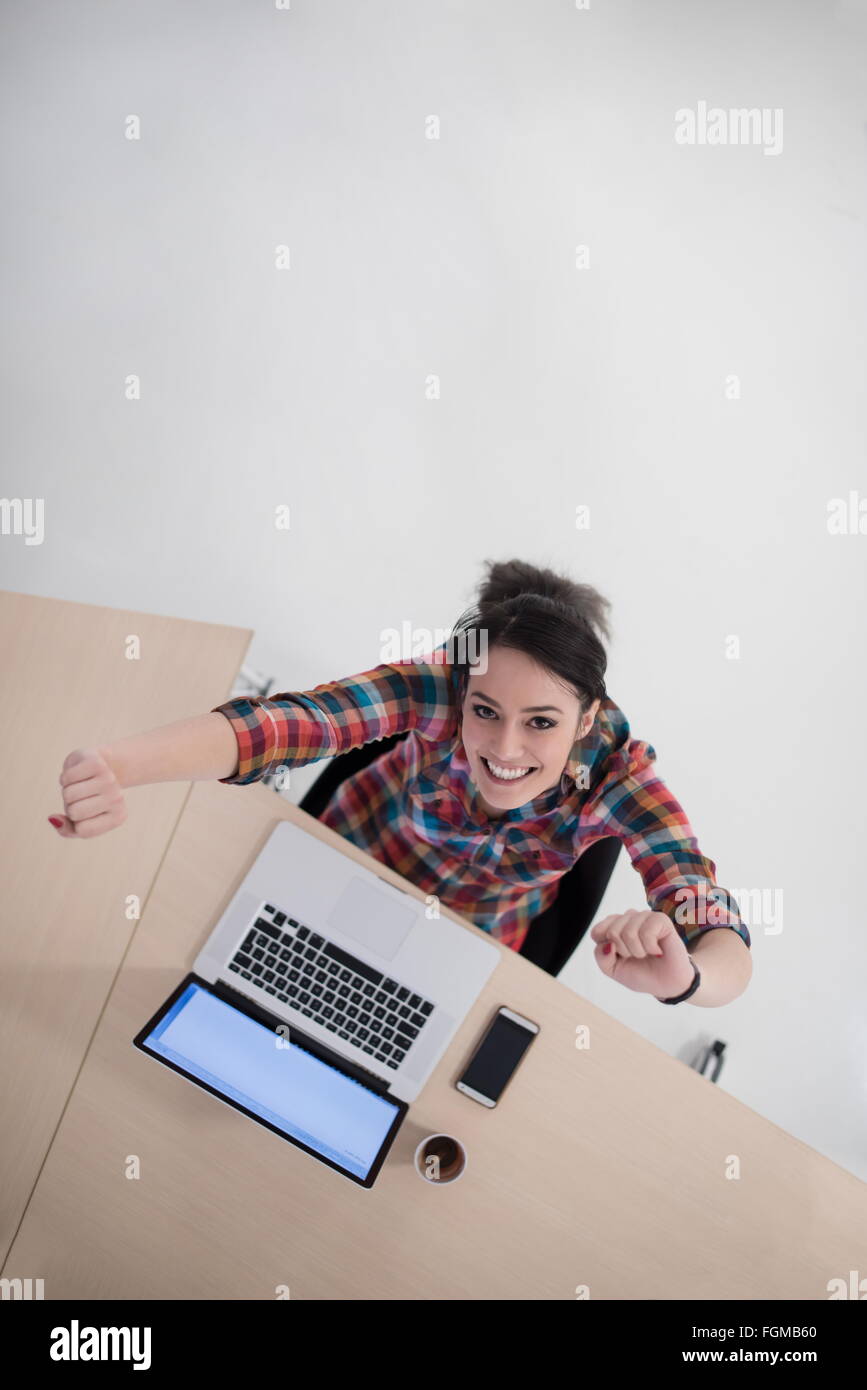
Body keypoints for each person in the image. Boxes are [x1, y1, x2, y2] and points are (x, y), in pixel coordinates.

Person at [49, 558, 752, 1007]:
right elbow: (287, 726)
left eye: (540, 722)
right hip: (345, 853)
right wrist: (118, 768)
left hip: (464, 935)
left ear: (586, 717)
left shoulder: (618, 775)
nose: (504, 749)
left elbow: (711, 920)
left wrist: (687, 980)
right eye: (485, 712)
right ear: (460, 688)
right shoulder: (437, 684)